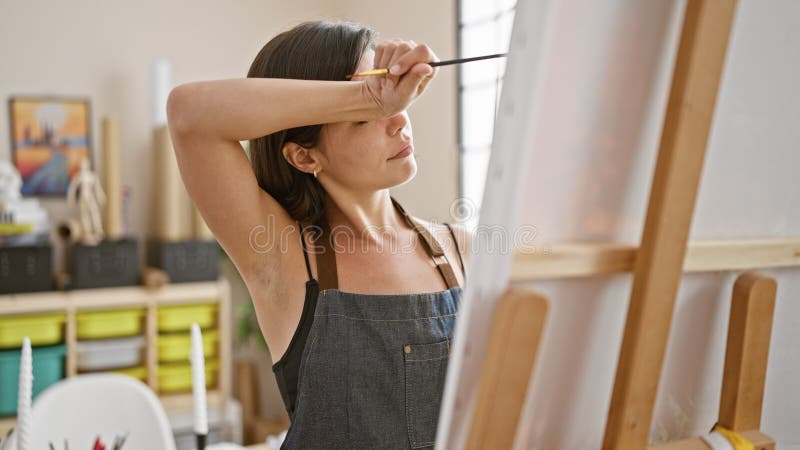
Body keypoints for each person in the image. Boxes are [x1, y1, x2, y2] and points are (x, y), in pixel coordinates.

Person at [167, 20, 470, 448]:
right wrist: (365, 95)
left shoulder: (462, 250)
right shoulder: (283, 257)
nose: (399, 119)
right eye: (367, 118)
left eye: (394, 99)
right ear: (304, 156)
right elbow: (189, 114)